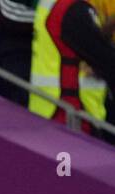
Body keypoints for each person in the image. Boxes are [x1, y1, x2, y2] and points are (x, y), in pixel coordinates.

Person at [29, 0, 115, 134]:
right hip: (71, 115)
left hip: (49, 111)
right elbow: (107, 60)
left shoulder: (53, 4)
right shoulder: (74, 10)